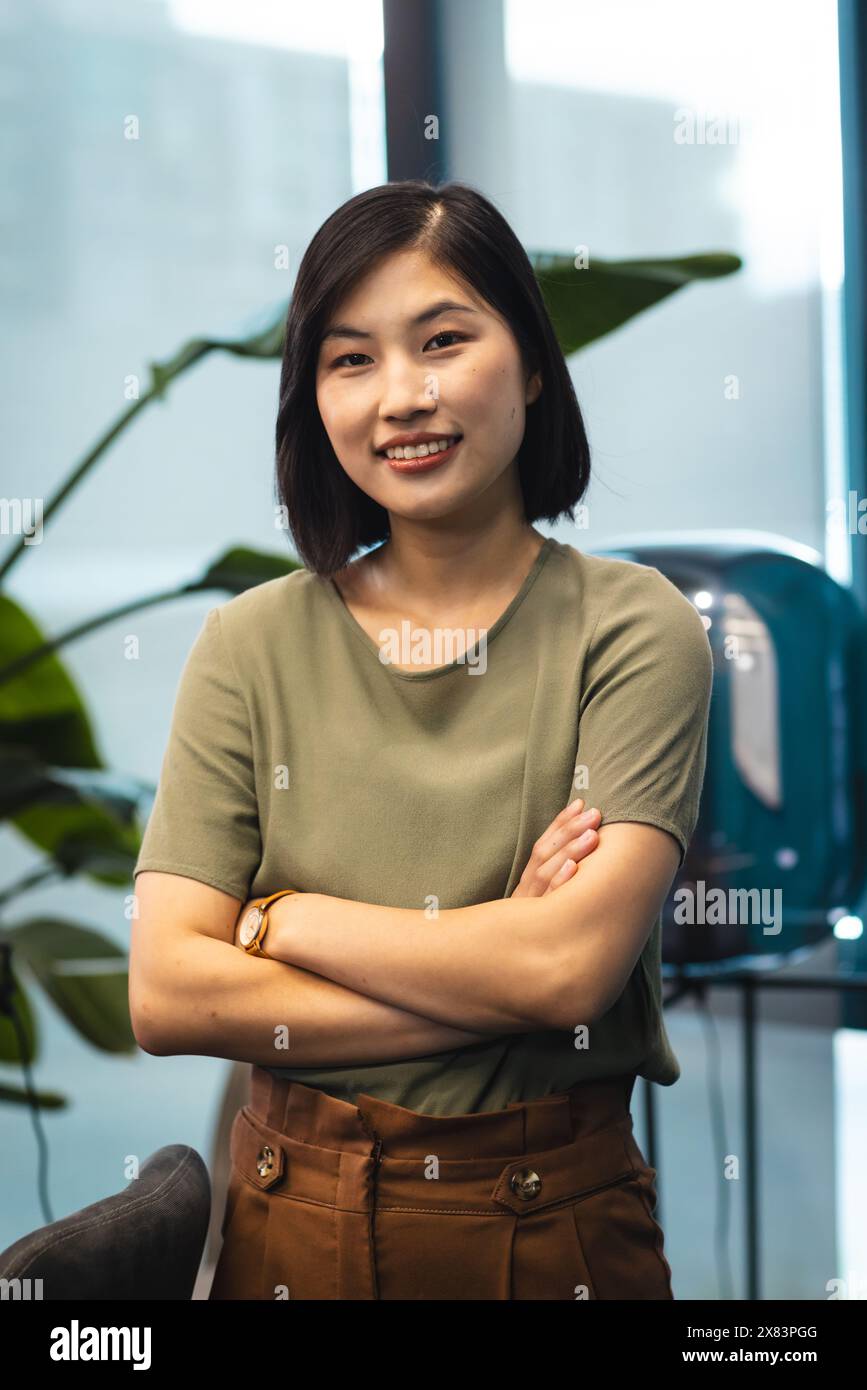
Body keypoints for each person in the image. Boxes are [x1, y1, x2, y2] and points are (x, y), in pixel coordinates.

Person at [130, 179, 713, 1301]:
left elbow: (568, 970)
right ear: (315, 398)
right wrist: (498, 952)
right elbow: (167, 996)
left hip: (551, 1231)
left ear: (534, 365)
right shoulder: (249, 644)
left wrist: (285, 922)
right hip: (288, 1229)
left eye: (443, 340)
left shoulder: (634, 628)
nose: (402, 396)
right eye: (351, 360)